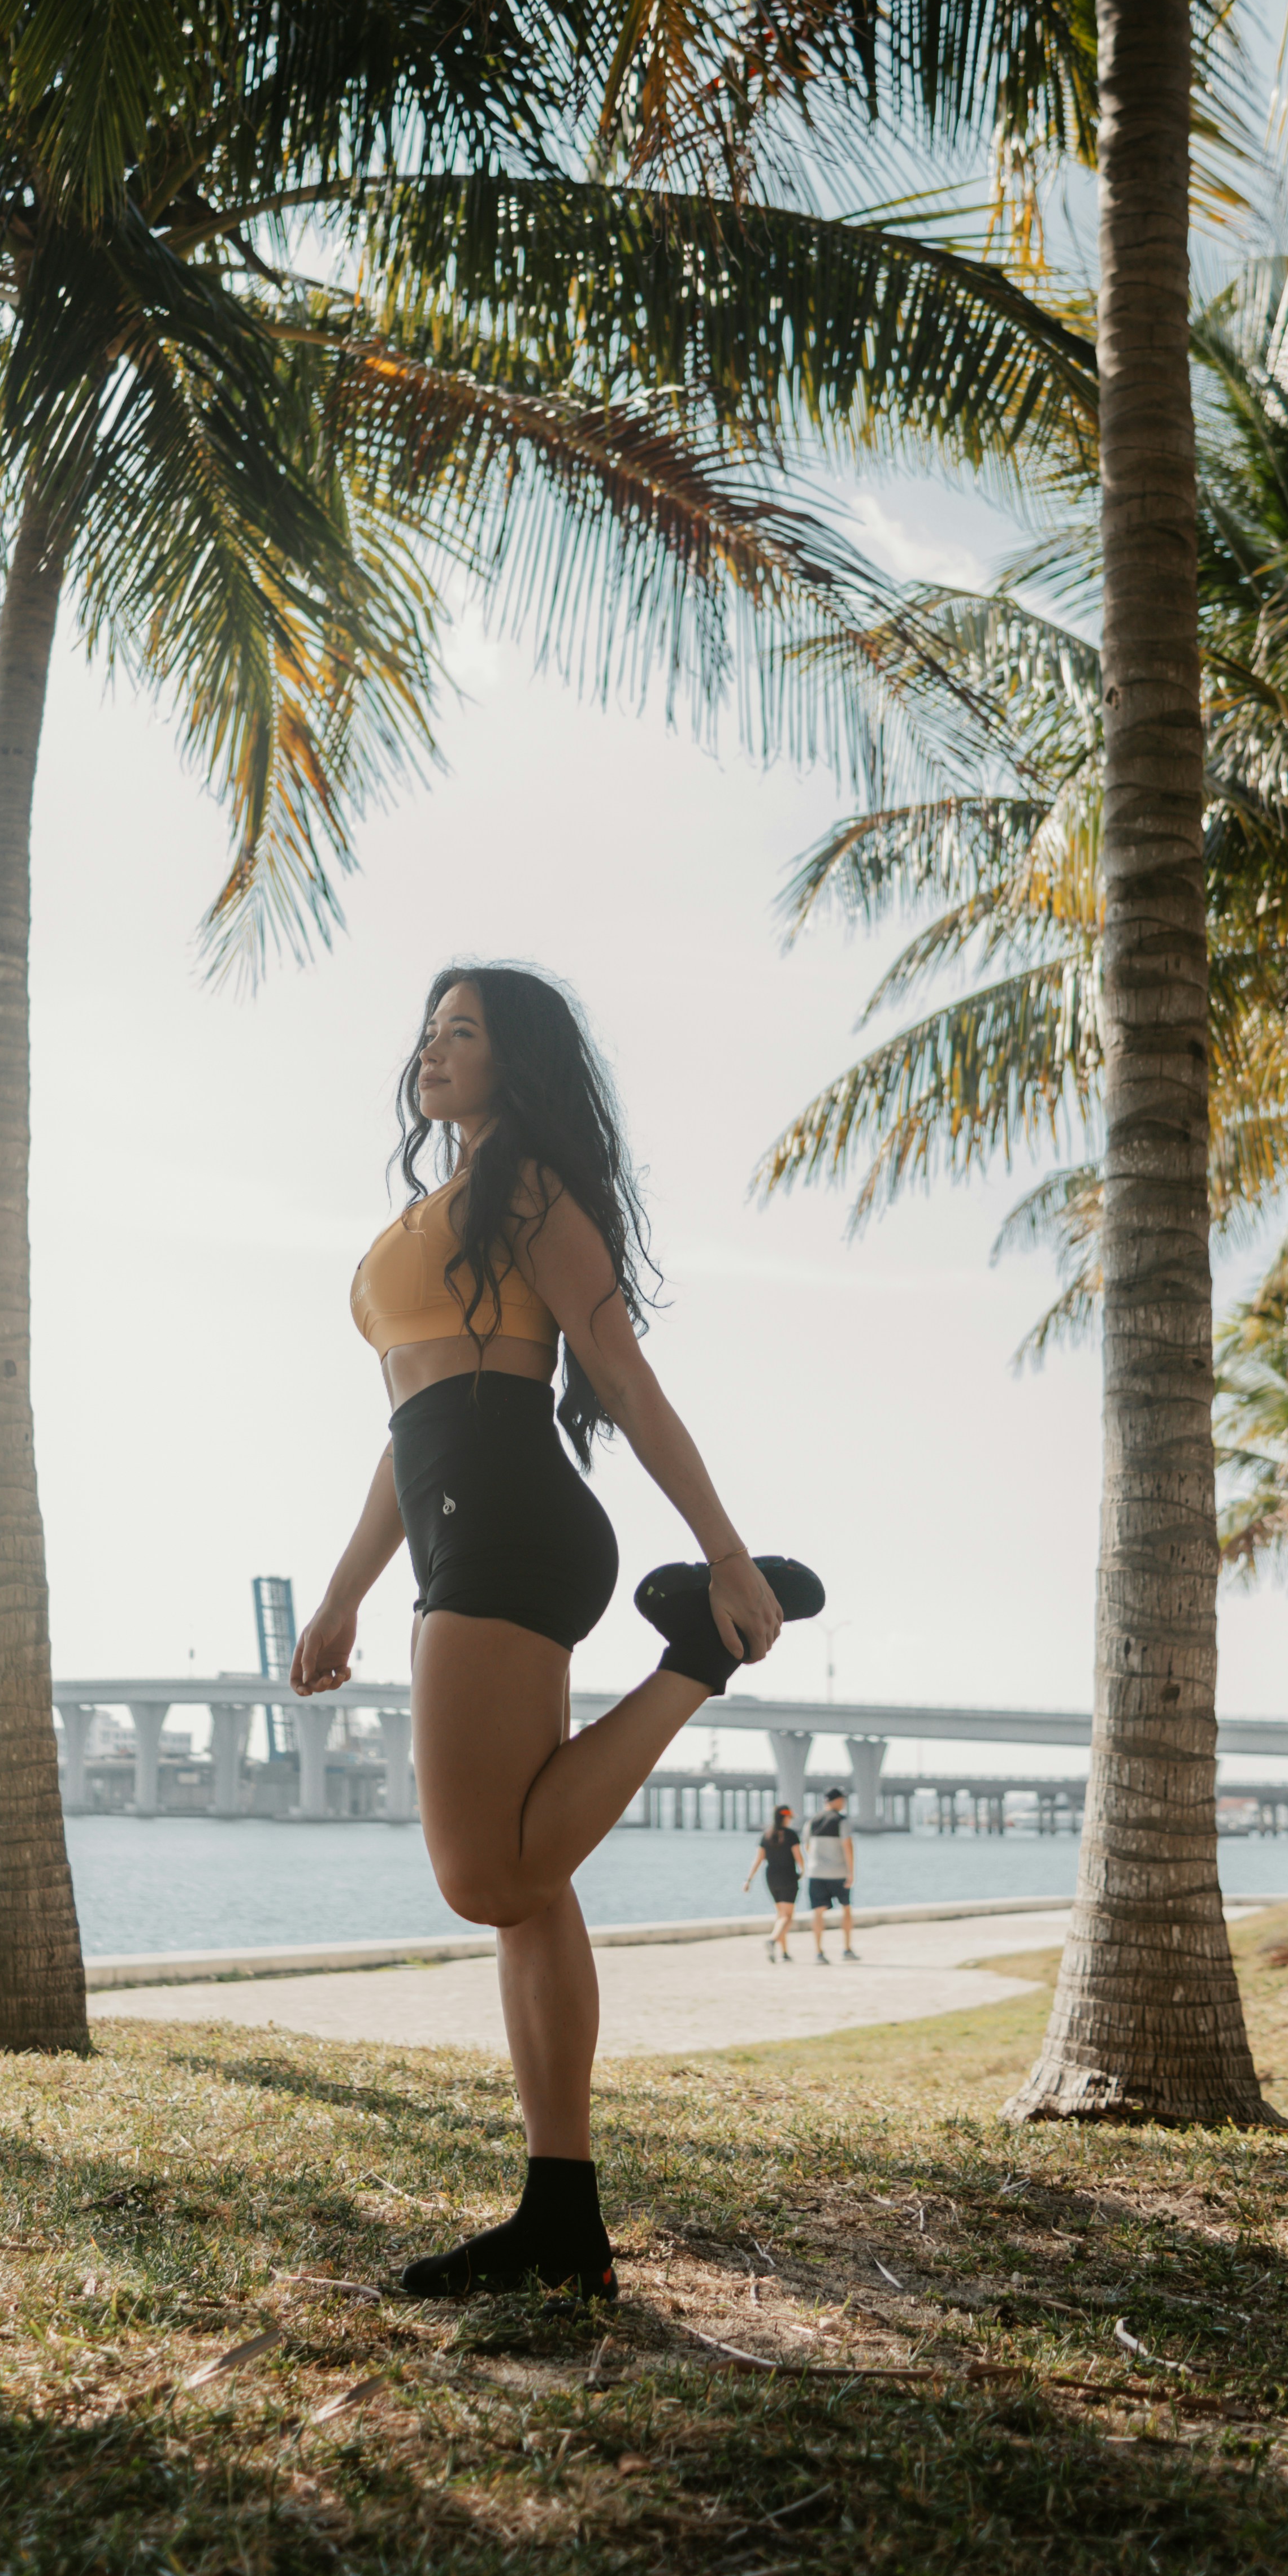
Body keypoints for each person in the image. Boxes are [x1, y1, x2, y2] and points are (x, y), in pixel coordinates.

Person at [296, 964, 822, 2299]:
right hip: (464, 1522)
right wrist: (348, 1588)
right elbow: (402, 1434)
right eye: (428, 1029)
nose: (433, 1048)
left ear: (512, 1060)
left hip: (514, 1524)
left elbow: (624, 1375)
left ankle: (692, 1656)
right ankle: (562, 2214)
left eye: (462, 1032)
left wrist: (724, 1553)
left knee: (485, 1879)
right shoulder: (430, 1218)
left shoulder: (526, 1193)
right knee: (529, 1894)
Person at [805, 1784, 860, 1959]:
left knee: (818, 1912)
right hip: (838, 1872)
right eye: (842, 1800)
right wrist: (851, 1873)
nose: (844, 1803)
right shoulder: (841, 1821)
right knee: (846, 1909)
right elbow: (847, 1847)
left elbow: (806, 1846)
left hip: (816, 1873)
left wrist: (817, 1862)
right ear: (836, 1801)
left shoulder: (812, 1821)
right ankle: (847, 1949)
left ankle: (818, 1952)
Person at [745, 1804, 804, 1961]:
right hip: (789, 1877)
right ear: (785, 1817)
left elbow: (758, 1860)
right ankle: (772, 1940)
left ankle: (784, 1953)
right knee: (788, 1917)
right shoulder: (791, 1835)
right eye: (790, 1817)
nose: (790, 1820)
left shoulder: (767, 1835)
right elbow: (799, 1856)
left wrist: (749, 1879)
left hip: (771, 1878)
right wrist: (804, 1871)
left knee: (780, 1915)